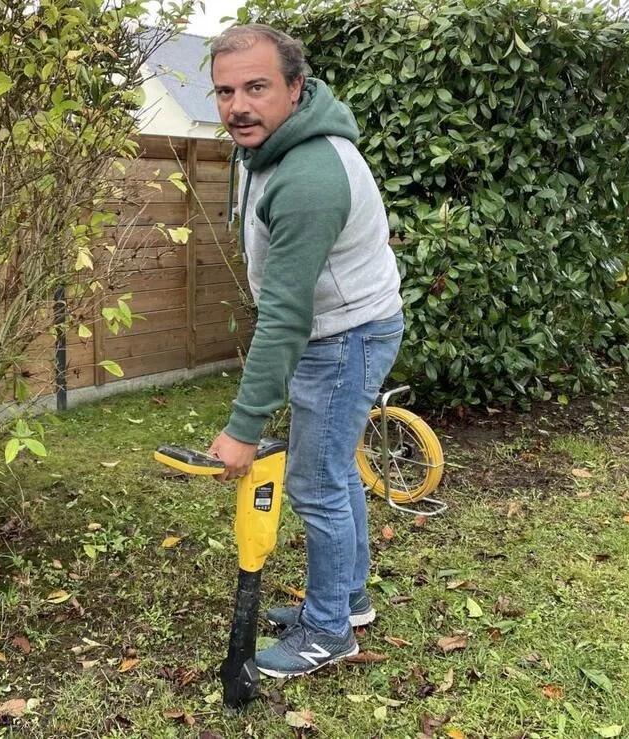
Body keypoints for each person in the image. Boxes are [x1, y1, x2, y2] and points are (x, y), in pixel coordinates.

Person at [205, 24, 404, 679]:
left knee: (315, 481)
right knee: (334, 468)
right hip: (346, 326)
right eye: (225, 91)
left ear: (296, 86)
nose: (239, 105)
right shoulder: (270, 145)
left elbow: (287, 315)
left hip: (343, 336)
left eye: (257, 87)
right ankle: (346, 599)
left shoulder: (311, 173)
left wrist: (243, 427)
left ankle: (328, 631)